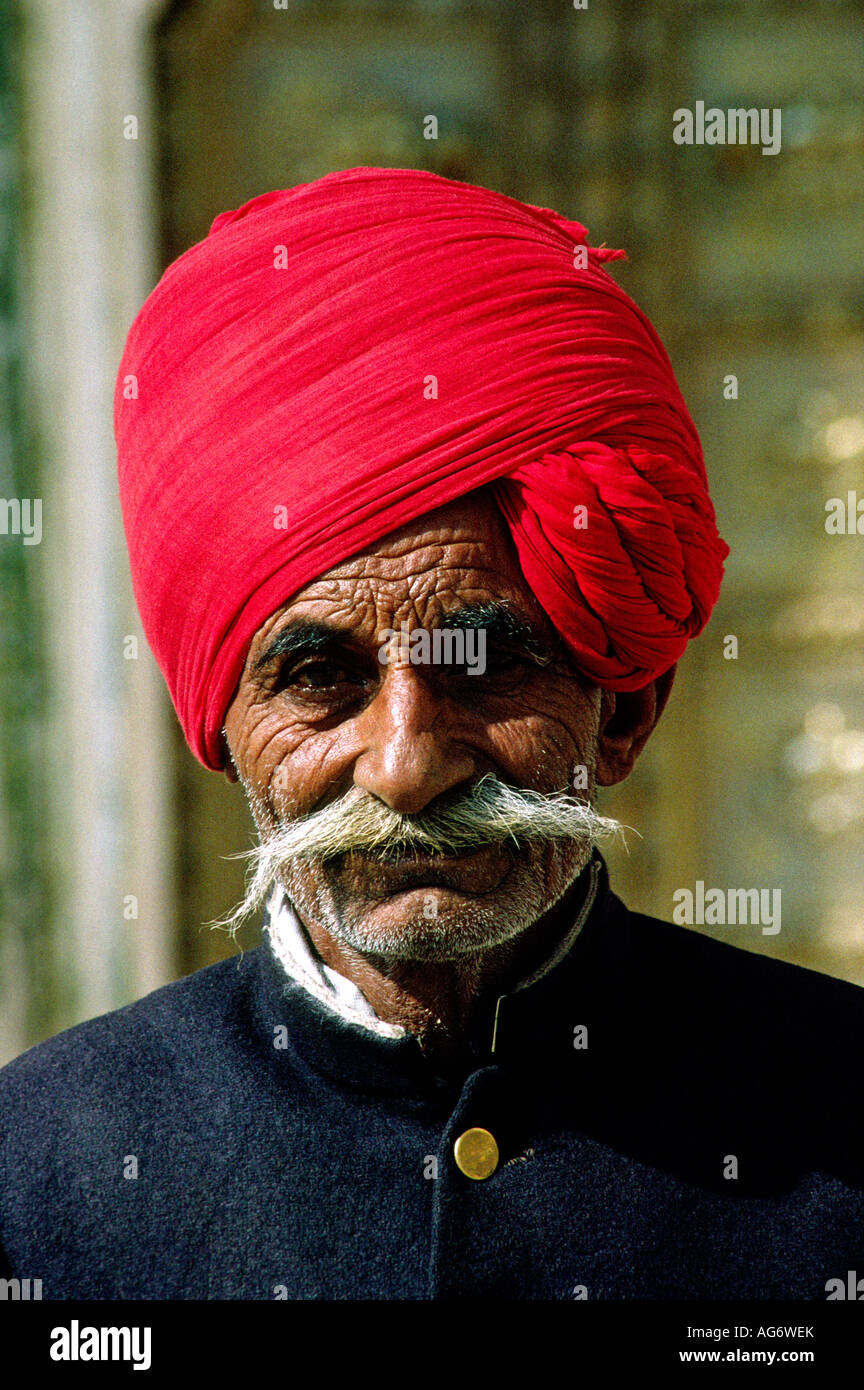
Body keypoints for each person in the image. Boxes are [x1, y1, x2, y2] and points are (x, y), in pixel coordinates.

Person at [1, 167, 862, 1301]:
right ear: (221, 728)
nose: (407, 763)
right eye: (318, 677)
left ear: (627, 713)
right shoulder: (43, 1177)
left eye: (489, 663)